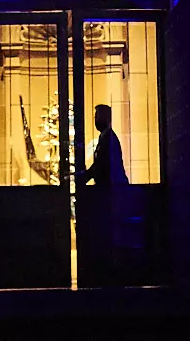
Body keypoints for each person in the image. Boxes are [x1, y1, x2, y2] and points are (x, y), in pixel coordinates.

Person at [80, 103, 132, 285]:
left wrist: (84, 178)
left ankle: (111, 273)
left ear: (106, 118)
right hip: (110, 190)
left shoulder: (109, 139)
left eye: (98, 116)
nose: (95, 120)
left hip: (112, 191)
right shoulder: (105, 138)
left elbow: (101, 166)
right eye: (95, 117)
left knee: (111, 233)